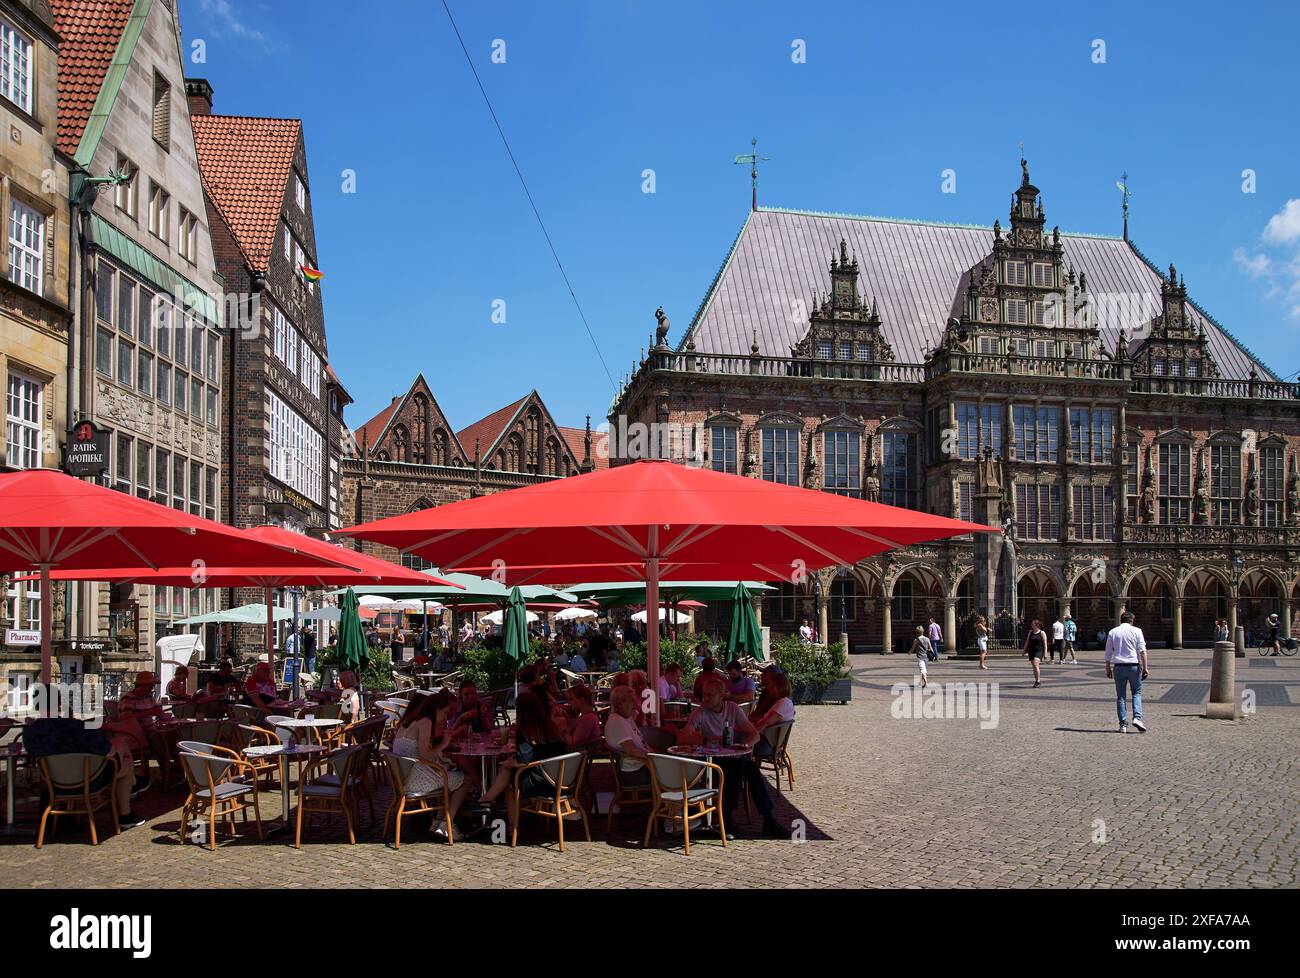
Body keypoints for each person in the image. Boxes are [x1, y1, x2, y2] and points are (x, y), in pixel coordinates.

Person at [678, 672, 784, 838]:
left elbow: (754, 734)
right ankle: (726, 819)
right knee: (736, 768)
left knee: (751, 769)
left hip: (730, 758)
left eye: (709, 695)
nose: (704, 699)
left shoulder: (732, 709)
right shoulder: (701, 712)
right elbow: (682, 737)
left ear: (721, 696)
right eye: (704, 694)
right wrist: (708, 739)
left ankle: (768, 819)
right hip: (709, 763)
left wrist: (744, 746)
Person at [467, 691, 568, 832]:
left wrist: (509, 762)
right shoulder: (550, 726)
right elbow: (543, 752)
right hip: (563, 778)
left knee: (510, 781)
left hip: (544, 782)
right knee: (509, 769)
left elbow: (524, 759)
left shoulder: (526, 729)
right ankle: (487, 801)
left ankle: (509, 823)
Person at [391, 689, 470, 840]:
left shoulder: (410, 721)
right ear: (436, 709)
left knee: (451, 776)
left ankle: (439, 822)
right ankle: (447, 823)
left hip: (404, 778)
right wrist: (444, 744)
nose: (445, 718)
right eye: (445, 713)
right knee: (465, 779)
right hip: (414, 781)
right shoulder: (425, 722)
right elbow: (424, 754)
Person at [1104, 611, 1149, 733]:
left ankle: (1123, 725)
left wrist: (1107, 668)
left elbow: (1108, 652)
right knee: (1136, 692)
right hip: (1133, 666)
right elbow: (1142, 651)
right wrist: (1145, 667)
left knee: (1121, 696)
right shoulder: (1137, 631)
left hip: (1118, 666)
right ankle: (1137, 718)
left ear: (1121, 620)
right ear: (1131, 620)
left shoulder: (1113, 632)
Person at [603, 685, 652, 787]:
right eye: (631, 701)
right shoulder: (617, 722)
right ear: (619, 703)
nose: (635, 705)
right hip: (634, 772)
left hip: (641, 766)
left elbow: (642, 743)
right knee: (675, 771)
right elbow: (632, 750)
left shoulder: (625, 718)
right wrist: (655, 758)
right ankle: (671, 800)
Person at [750, 668, 796, 758]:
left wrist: (748, 737)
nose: (769, 688)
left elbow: (764, 723)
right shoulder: (786, 702)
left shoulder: (783, 703)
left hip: (766, 744)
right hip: (771, 742)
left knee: (733, 742)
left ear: (778, 686)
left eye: (771, 685)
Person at [561, 682, 601, 750]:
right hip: (581, 753)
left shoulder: (587, 718)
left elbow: (573, 743)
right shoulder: (587, 715)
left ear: (582, 700)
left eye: (571, 699)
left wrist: (564, 729)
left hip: (577, 755)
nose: (569, 702)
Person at [1024, 618, 1048, 688]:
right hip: (1031, 651)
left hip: (1039, 651)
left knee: (1035, 664)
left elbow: (1045, 644)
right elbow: (1027, 641)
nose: (1031, 625)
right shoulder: (1030, 632)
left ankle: (1038, 681)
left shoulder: (1042, 633)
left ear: (1037, 625)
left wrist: (1045, 653)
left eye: (1032, 624)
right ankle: (1036, 680)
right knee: (1034, 667)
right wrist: (1024, 650)